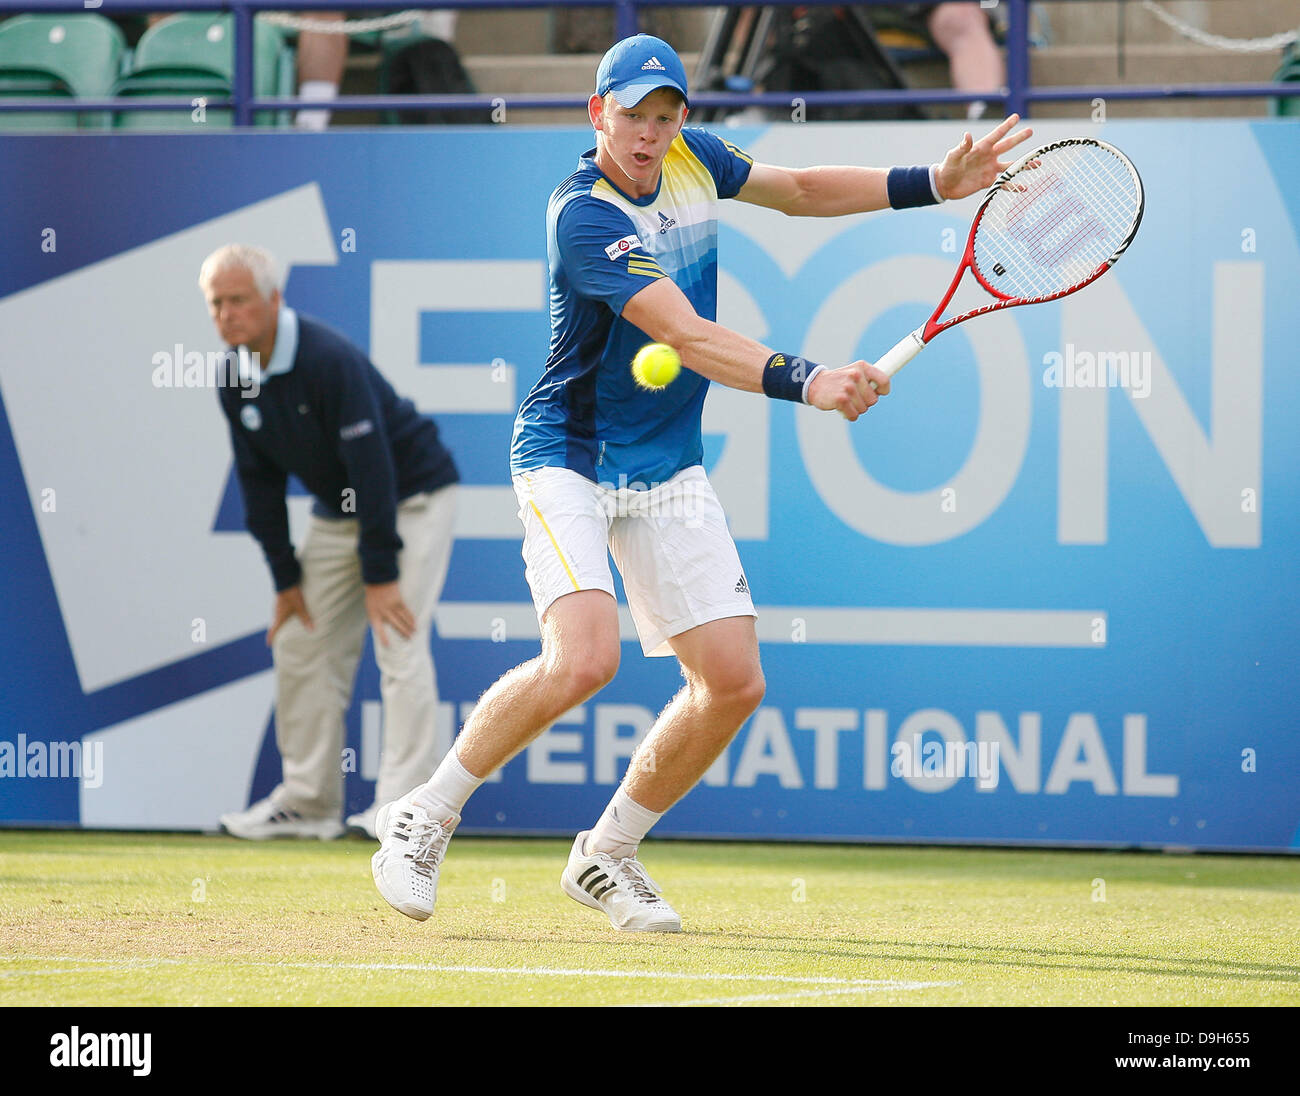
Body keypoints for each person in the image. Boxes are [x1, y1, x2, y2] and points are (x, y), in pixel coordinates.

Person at [370, 34, 1031, 930]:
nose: (648, 133)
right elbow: (683, 336)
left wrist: (931, 183)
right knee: (586, 659)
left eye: (664, 114)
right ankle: (426, 814)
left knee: (732, 681)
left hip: (665, 464)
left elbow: (797, 192)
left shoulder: (694, 158)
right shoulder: (584, 218)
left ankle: (606, 855)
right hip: (569, 454)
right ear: (596, 114)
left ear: (683, 117)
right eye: (632, 115)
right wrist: (811, 379)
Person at [200, 244, 459, 840]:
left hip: (413, 497)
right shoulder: (232, 374)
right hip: (340, 513)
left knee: (398, 636)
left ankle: (402, 808)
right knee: (298, 638)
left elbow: (372, 468)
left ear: (273, 300)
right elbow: (257, 481)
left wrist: (380, 573)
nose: (227, 314)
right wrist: (285, 581)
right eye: (216, 303)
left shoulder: (327, 359)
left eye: (238, 300)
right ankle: (309, 801)